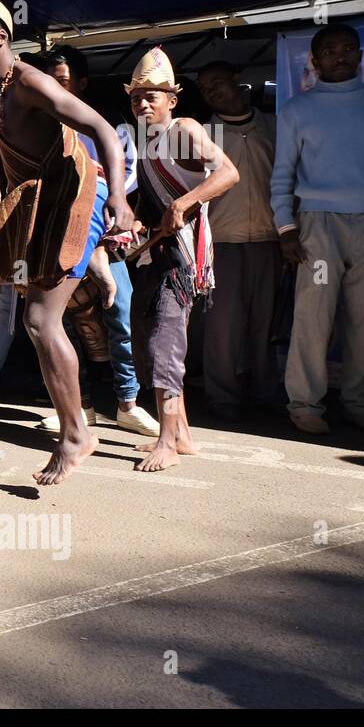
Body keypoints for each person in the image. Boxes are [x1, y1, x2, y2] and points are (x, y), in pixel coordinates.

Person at [0, 0, 135, 485]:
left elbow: (102, 129)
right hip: (37, 201)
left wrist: (119, 195)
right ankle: (84, 278)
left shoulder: (31, 82)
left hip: (76, 196)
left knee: (37, 318)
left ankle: (76, 435)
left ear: (3, 38)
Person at [38, 46, 159, 438]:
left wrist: (103, 232)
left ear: (82, 83)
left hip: (104, 240)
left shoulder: (111, 129)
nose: (57, 89)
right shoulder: (40, 128)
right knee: (67, 321)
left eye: (64, 81)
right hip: (57, 239)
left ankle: (128, 403)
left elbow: (125, 183)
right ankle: (80, 406)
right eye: (51, 82)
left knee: (120, 314)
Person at [127, 47, 238, 471]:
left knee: (165, 343)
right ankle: (181, 434)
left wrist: (185, 203)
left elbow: (228, 172)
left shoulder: (185, 128)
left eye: (152, 96)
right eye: (137, 96)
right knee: (150, 337)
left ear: (172, 100)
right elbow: (152, 200)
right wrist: (137, 221)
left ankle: (168, 442)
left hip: (186, 254)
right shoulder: (144, 139)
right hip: (158, 251)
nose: (142, 103)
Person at [272, 22, 364, 434]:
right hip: (318, 229)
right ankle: (305, 402)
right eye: (330, 50)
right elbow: (282, 176)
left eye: (348, 48)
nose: (340, 55)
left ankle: (360, 400)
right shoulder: (297, 109)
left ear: (360, 55)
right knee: (313, 316)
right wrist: (286, 228)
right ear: (314, 60)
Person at [195, 60, 283, 422]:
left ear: (237, 81)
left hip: (269, 239)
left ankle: (265, 392)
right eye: (204, 88)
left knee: (265, 324)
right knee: (223, 328)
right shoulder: (203, 134)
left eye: (217, 82)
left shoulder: (273, 126)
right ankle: (223, 398)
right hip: (223, 241)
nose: (212, 91)